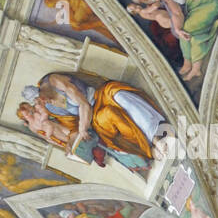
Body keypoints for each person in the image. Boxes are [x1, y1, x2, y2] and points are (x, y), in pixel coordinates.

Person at [17, 71, 166, 171]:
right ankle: (147, 149)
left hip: (100, 96)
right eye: (38, 103)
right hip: (94, 117)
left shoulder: (54, 81)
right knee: (108, 116)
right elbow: (73, 126)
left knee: (119, 96)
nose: (42, 102)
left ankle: (156, 136)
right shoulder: (50, 107)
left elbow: (83, 104)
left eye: (41, 98)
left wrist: (82, 127)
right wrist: (71, 144)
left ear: (41, 89)